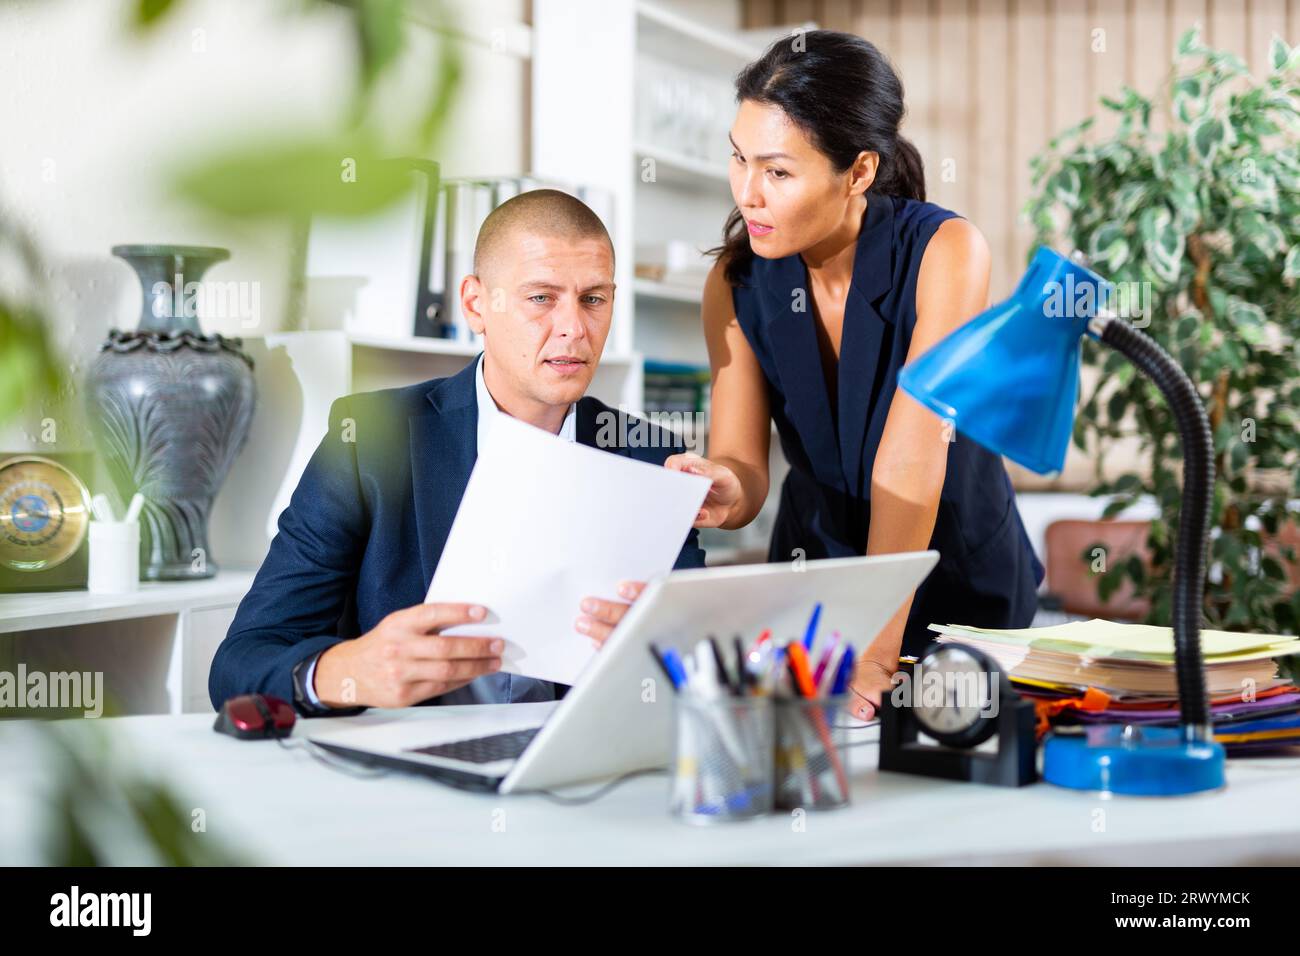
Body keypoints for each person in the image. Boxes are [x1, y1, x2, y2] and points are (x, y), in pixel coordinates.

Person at [665, 31, 1043, 721]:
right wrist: (724, 486)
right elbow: (744, 468)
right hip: (816, 584)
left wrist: (876, 643)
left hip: (955, 580)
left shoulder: (946, 251)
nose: (749, 192)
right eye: (739, 158)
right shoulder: (738, 279)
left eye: (778, 172)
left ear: (860, 171)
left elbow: (912, 459)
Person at [209, 189, 704, 716]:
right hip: (412, 765)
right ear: (475, 304)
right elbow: (241, 662)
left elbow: (705, 663)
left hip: (582, 766)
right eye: (541, 298)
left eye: (593, 299)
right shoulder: (369, 442)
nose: (574, 328)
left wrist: (656, 656)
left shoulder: (652, 457)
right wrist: (350, 670)